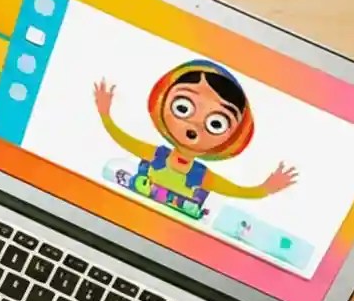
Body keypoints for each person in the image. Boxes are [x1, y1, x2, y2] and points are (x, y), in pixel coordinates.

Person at [93, 59, 297, 210]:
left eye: (216, 123)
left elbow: (235, 190)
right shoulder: (157, 156)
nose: (194, 126)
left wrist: (265, 189)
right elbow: (124, 140)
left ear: (234, 136)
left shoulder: (200, 175)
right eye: (183, 107)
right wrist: (105, 114)